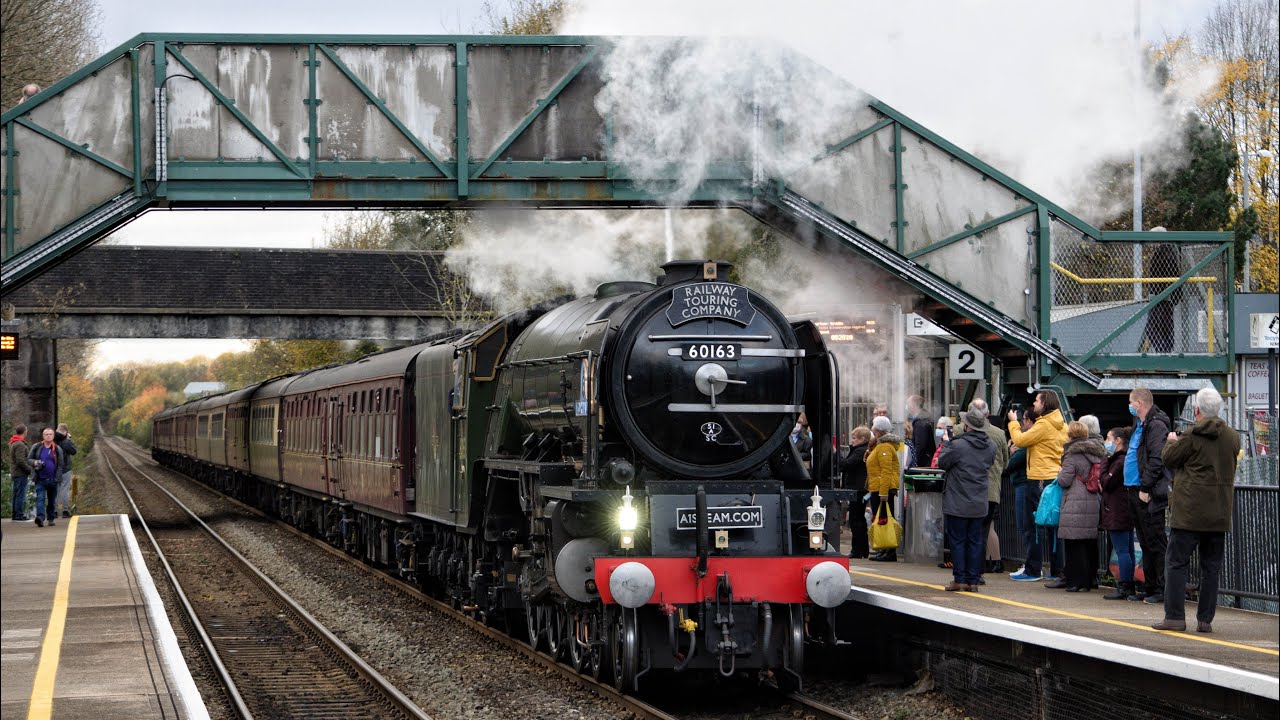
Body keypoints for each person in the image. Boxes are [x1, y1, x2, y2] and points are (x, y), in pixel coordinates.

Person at [1152, 387, 1240, 633]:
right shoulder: (1232, 437)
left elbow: (1168, 459)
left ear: (1197, 410)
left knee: (1176, 563)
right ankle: (1205, 620)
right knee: (1211, 568)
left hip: (1189, 513)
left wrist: (1171, 442)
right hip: (1219, 512)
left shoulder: (1191, 435)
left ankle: (1175, 617)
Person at [1006, 391, 1067, 583]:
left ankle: (1033, 569)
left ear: (1045, 403)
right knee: (1053, 525)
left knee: (1034, 524)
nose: (1034, 403)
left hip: (1039, 477)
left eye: (1037, 400)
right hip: (1054, 476)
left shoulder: (1044, 424)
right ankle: (1057, 570)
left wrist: (1013, 423)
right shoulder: (1061, 423)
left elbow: (1020, 440)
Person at [937, 408, 995, 591]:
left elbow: (942, 463)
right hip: (979, 501)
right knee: (976, 541)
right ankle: (974, 580)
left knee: (958, 541)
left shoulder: (958, 445)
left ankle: (960, 579)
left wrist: (946, 443)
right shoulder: (991, 446)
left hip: (958, 501)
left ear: (968, 426)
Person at [1128, 386, 1173, 604]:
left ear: (1139, 403)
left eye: (1131, 402)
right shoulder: (1140, 424)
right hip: (1134, 489)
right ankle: (1150, 586)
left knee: (1155, 540)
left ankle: (1162, 588)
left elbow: (1156, 458)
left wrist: (1145, 487)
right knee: (1145, 541)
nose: (1129, 406)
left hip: (1147, 492)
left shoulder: (1155, 425)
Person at [1056, 421, 1106, 592]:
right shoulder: (1097, 452)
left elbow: (1064, 480)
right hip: (1093, 500)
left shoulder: (1072, 454)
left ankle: (1076, 582)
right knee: (1088, 543)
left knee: (1073, 544)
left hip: (1075, 502)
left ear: (1071, 435)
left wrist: (1059, 473)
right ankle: (1089, 580)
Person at [968, 399, 1008, 581]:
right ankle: (979, 571)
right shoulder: (999, 433)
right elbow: (1005, 462)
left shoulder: (960, 431)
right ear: (987, 413)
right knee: (984, 531)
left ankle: (967, 570)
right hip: (992, 489)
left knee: (966, 532)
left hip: (968, 490)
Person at [1100, 427, 1136, 600]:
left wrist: (1104, 462)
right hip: (1124, 508)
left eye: (1108, 438)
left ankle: (1125, 585)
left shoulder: (1118, 461)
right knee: (1127, 549)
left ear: (1118, 440)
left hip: (1117, 509)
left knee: (1122, 550)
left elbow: (1106, 482)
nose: (1106, 442)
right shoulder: (1126, 458)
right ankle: (1129, 584)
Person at [865, 416, 903, 561]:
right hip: (878, 487)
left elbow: (886, 471)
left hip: (882, 488)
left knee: (884, 519)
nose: (871, 428)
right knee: (881, 519)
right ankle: (884, 548)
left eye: (873, 426)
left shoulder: (884, 447)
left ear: (878, 430)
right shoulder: (879, 445)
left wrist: (883, 492)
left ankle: (889, 551)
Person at [1005, 412, 1032, 576]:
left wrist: (1011, 453)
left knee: (1024, 525)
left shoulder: (1027, 442)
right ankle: (1028, 563)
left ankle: (1029, 564)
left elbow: (1010, 465)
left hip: (1024, 484)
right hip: (1024, 483)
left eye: (1024, 420)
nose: (1022, 423)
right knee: (1025, 526)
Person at [841, 427, 872, 559]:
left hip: (858, 489)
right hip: (860, 489)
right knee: (859, 519)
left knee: (856, 519)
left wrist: (836, 455)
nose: (852, 441)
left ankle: (857, 550)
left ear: (862, 439)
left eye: (854, 438)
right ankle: (863, 550)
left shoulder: (860, 451)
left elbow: (847, 464)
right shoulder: (862, 450)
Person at [28, 428, 64, 527]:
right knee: (40, 498)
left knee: (52, 501)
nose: (48, 436)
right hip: (40, 479)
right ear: (43, 436)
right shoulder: (36, 447)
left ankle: (51, 518)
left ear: (53, 436)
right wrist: (35, 462)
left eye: (50, 434)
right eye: (46, 434)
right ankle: (40, 518)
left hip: (53, 479)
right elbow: (28, 459)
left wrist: (57, 478)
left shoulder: (57, 449)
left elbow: (60, 465)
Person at [9, 424, 33, 521]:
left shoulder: (13, 442)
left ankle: (15, 515)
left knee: (16, 494)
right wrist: (29, 469)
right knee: (20, 495)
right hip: (20, 473)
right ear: (24, 432)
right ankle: (19, 515)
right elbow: (20, 460)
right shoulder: (20, 444)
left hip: (15, 472)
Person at [53, 423, 77, 518]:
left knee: (55, 490)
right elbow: (73, 451)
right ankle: (65, 511)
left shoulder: (51, 439)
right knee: (64, 490)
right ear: (65, 432)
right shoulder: (66, 441)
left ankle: (54, 512)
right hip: (65, 469)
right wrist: (69, 439)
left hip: (54, 469)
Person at [908, 395, 936, 469]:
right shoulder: (921, 419)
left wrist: (914, 463)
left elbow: (920, 446)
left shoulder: (920, 422)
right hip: (924, 462)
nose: (907, 407)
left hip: (922, 465)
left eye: (909, 404)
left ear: (914, 405)